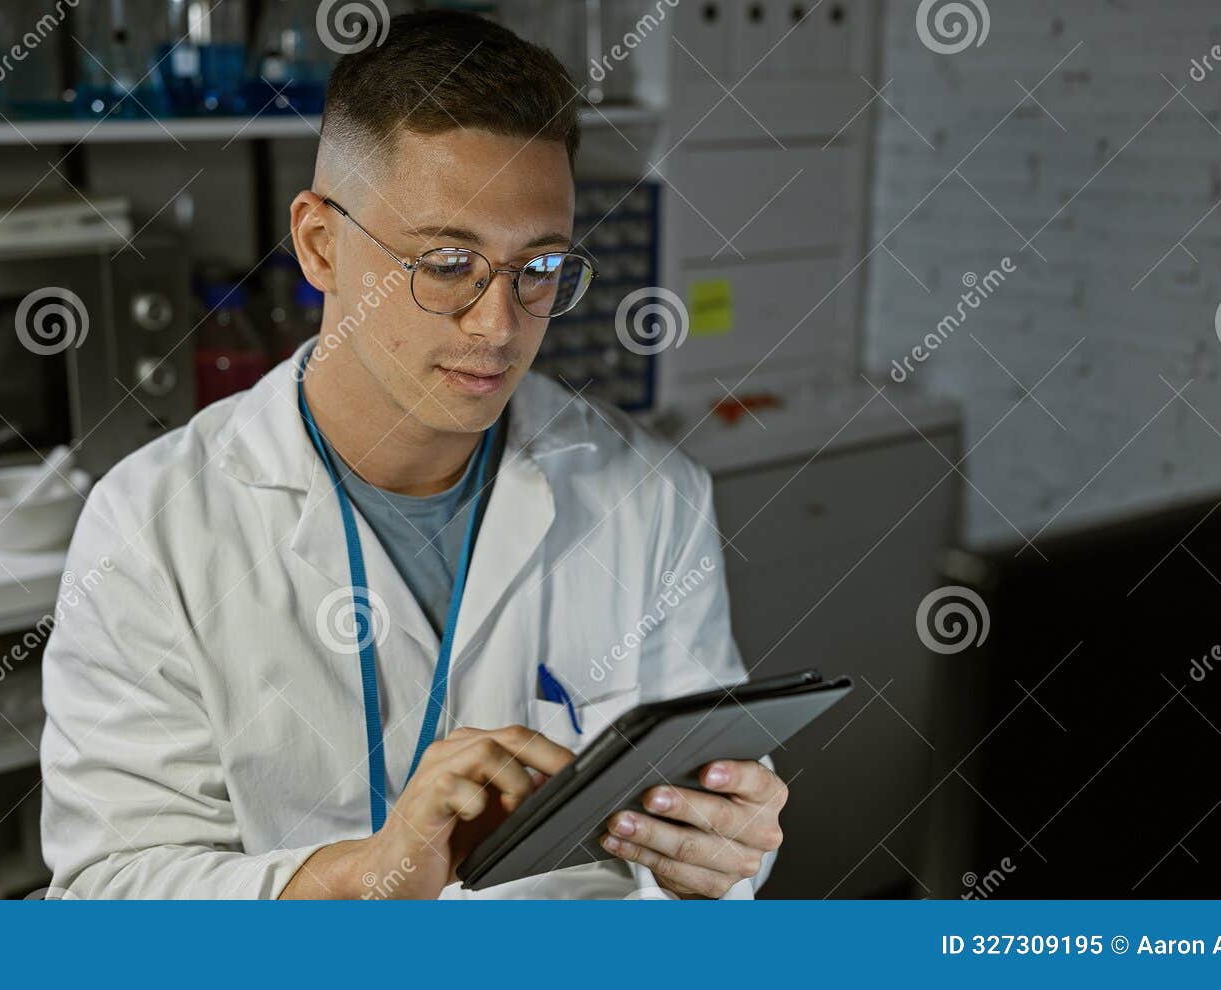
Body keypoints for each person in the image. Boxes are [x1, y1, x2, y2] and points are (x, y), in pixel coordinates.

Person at [40, 10, 787, 900]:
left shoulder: (652, 495)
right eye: (445, 262)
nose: (498, 325)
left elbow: (708, 827)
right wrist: (364, 877)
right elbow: (107, 895)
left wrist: (726, 853)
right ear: (321, 245)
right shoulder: (154, 524)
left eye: (539, 269)